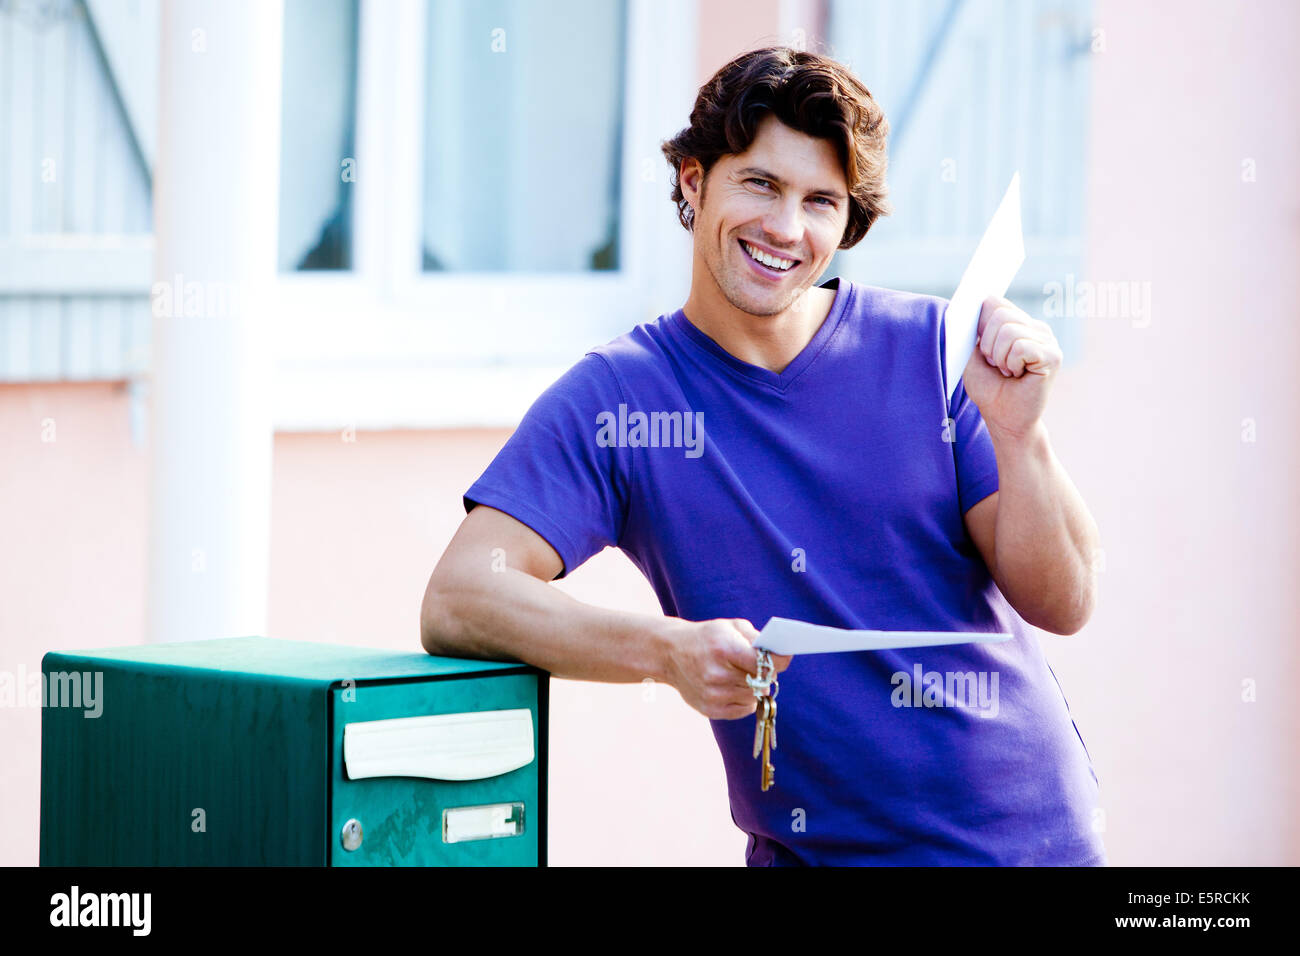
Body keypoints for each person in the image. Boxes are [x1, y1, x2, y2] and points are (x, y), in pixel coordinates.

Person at [420, 46, 1106, 866]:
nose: (787, 229)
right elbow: (461, 598)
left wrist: (1020, 437)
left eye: (821, 201)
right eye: (761, 184)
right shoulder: (621, 398)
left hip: (1036, 842)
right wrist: (664, 653)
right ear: (691, 180)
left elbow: (1064, 602)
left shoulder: (933, 349)